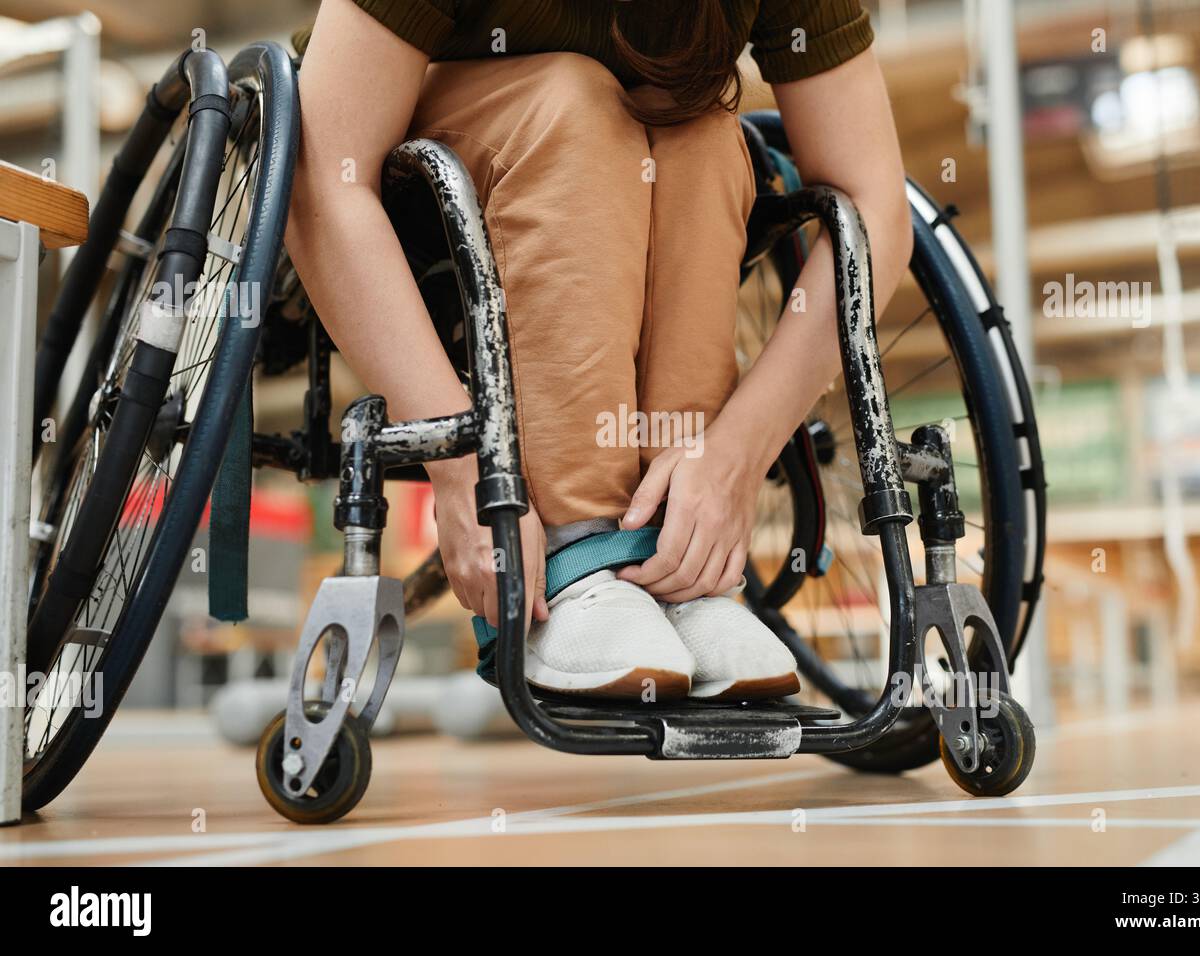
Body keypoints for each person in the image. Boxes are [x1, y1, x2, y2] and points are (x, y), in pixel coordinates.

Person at [286, 0, 913, 700]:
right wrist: (464, 464)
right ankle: (577, 555)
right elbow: (322, 185)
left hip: (626, 181)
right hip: (405, 208)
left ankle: (677, 570)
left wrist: (739, 450)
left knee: (704, 132)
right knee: (574, 96)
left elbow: (877, 208)